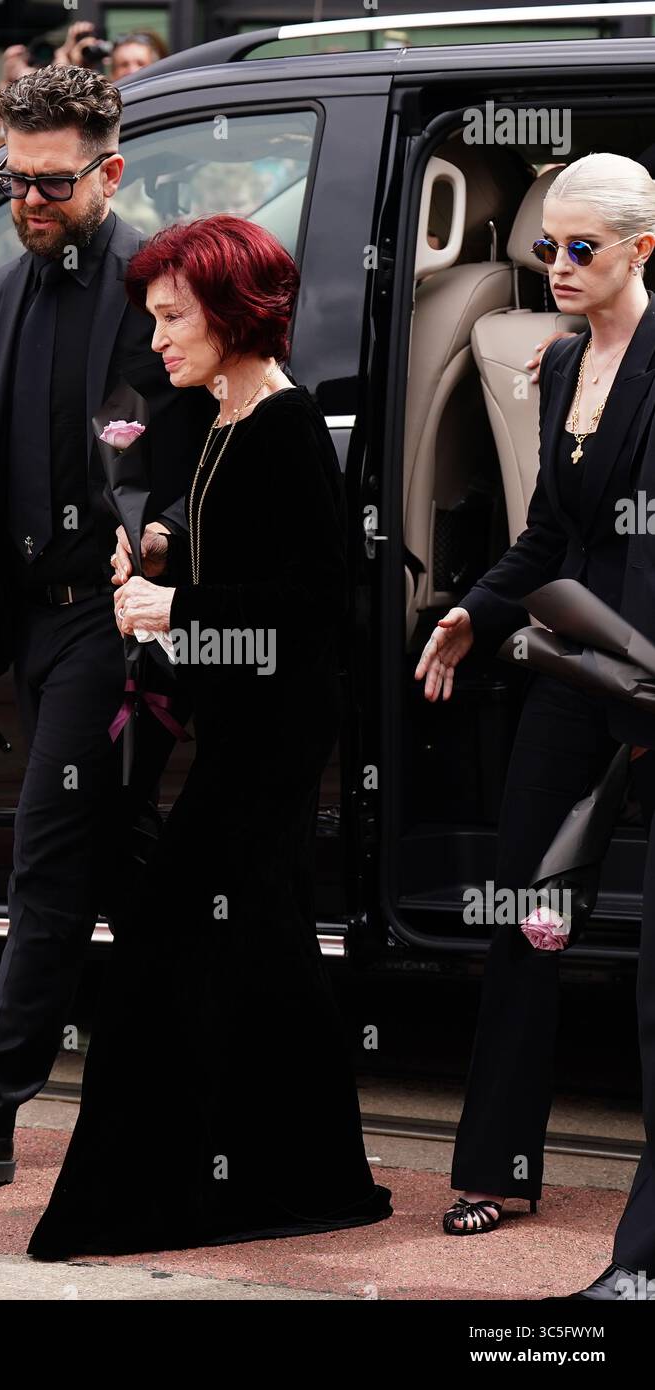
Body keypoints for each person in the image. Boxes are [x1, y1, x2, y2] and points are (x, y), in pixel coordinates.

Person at [0, 64, 217, 1185]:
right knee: (130, 874)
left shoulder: (163, 289)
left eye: (52, 185)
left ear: (109, 170)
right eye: (12, 181)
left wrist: (162, 542)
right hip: (37, 624)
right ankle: (220, 1072)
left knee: (50, 860)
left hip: (122, 632)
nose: (28, 204)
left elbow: (214, 445)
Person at [26, 214, 393, 1258]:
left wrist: (173, 612)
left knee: (167, 942)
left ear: (235, 311)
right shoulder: (221, 412)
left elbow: (313, 602)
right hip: (243, 723)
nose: (157, 342)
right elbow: (232, 553)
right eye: (151, 318)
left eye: (175, 317)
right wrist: (158, 560)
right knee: (268, 951)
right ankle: (307, 1177)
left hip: (273, 735)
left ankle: (160, 1194)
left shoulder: (278, 423)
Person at [415, 152, 655, 1299]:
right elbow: (550, 535)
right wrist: (472, 611)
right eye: (546, 246)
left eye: (580, 249)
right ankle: (501, 1162)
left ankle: (644, 1255)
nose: (555, 265)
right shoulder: (560, 367)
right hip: (574, 674)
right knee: (527, 908)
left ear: (641, 252)